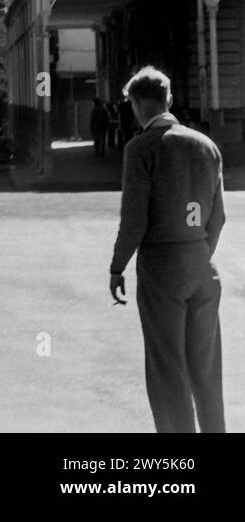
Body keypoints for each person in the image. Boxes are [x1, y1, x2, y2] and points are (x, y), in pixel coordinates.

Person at [109, 66, 226, 433]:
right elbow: (218, 217)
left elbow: (134, 220)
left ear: (136, 104)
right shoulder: (207, 145)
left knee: (168, 368)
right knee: (206, 370)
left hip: (162, 269)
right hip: (203, 268)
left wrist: (117, 266)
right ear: (169, 99)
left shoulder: (140, 148)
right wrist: (201, 254)